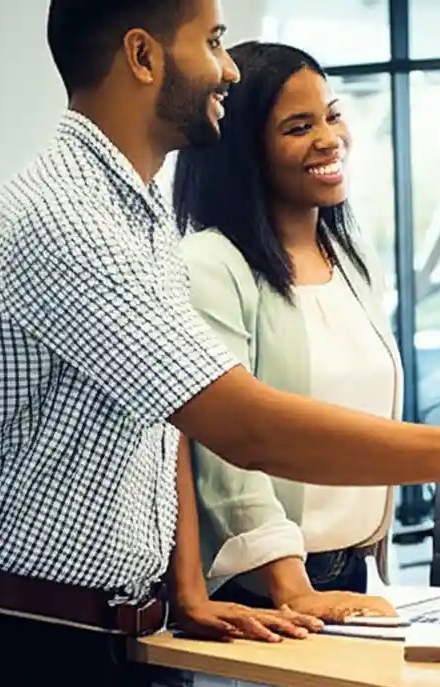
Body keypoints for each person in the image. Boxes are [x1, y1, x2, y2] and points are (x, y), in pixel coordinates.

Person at [0, 2, 440, 687]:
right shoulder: (67, 222)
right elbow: (245, 427)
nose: (228, 68)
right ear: (144, 58)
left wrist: (186, 590)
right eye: (211, 43)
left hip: (120, 630)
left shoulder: (135, 214)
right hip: (38, 643)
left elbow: (164, 428)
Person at [172, 41, 401, 619]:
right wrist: (291, 586)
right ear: (246, 150)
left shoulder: (354, 261)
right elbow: (226, 450)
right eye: (299, 127)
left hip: (348, 571)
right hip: (262, 587)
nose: (329, 139)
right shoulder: (210, 264)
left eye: (333, 114)